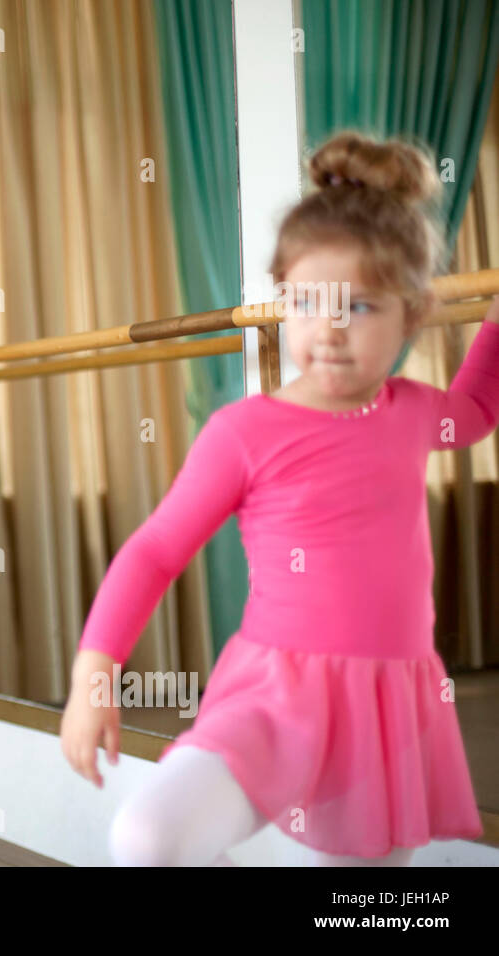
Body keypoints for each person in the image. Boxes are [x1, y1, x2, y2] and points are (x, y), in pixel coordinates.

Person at [60, 132, 498, 865]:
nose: (328, 328)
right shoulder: (244, 432)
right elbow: (156, 549)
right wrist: (93, 675)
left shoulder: (418, 411)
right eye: (306, 301)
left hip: (388, 702)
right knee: (147, 837)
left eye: (358, 305)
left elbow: (477, 410)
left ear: (412, 316)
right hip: (272, 693)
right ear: (282, 299)